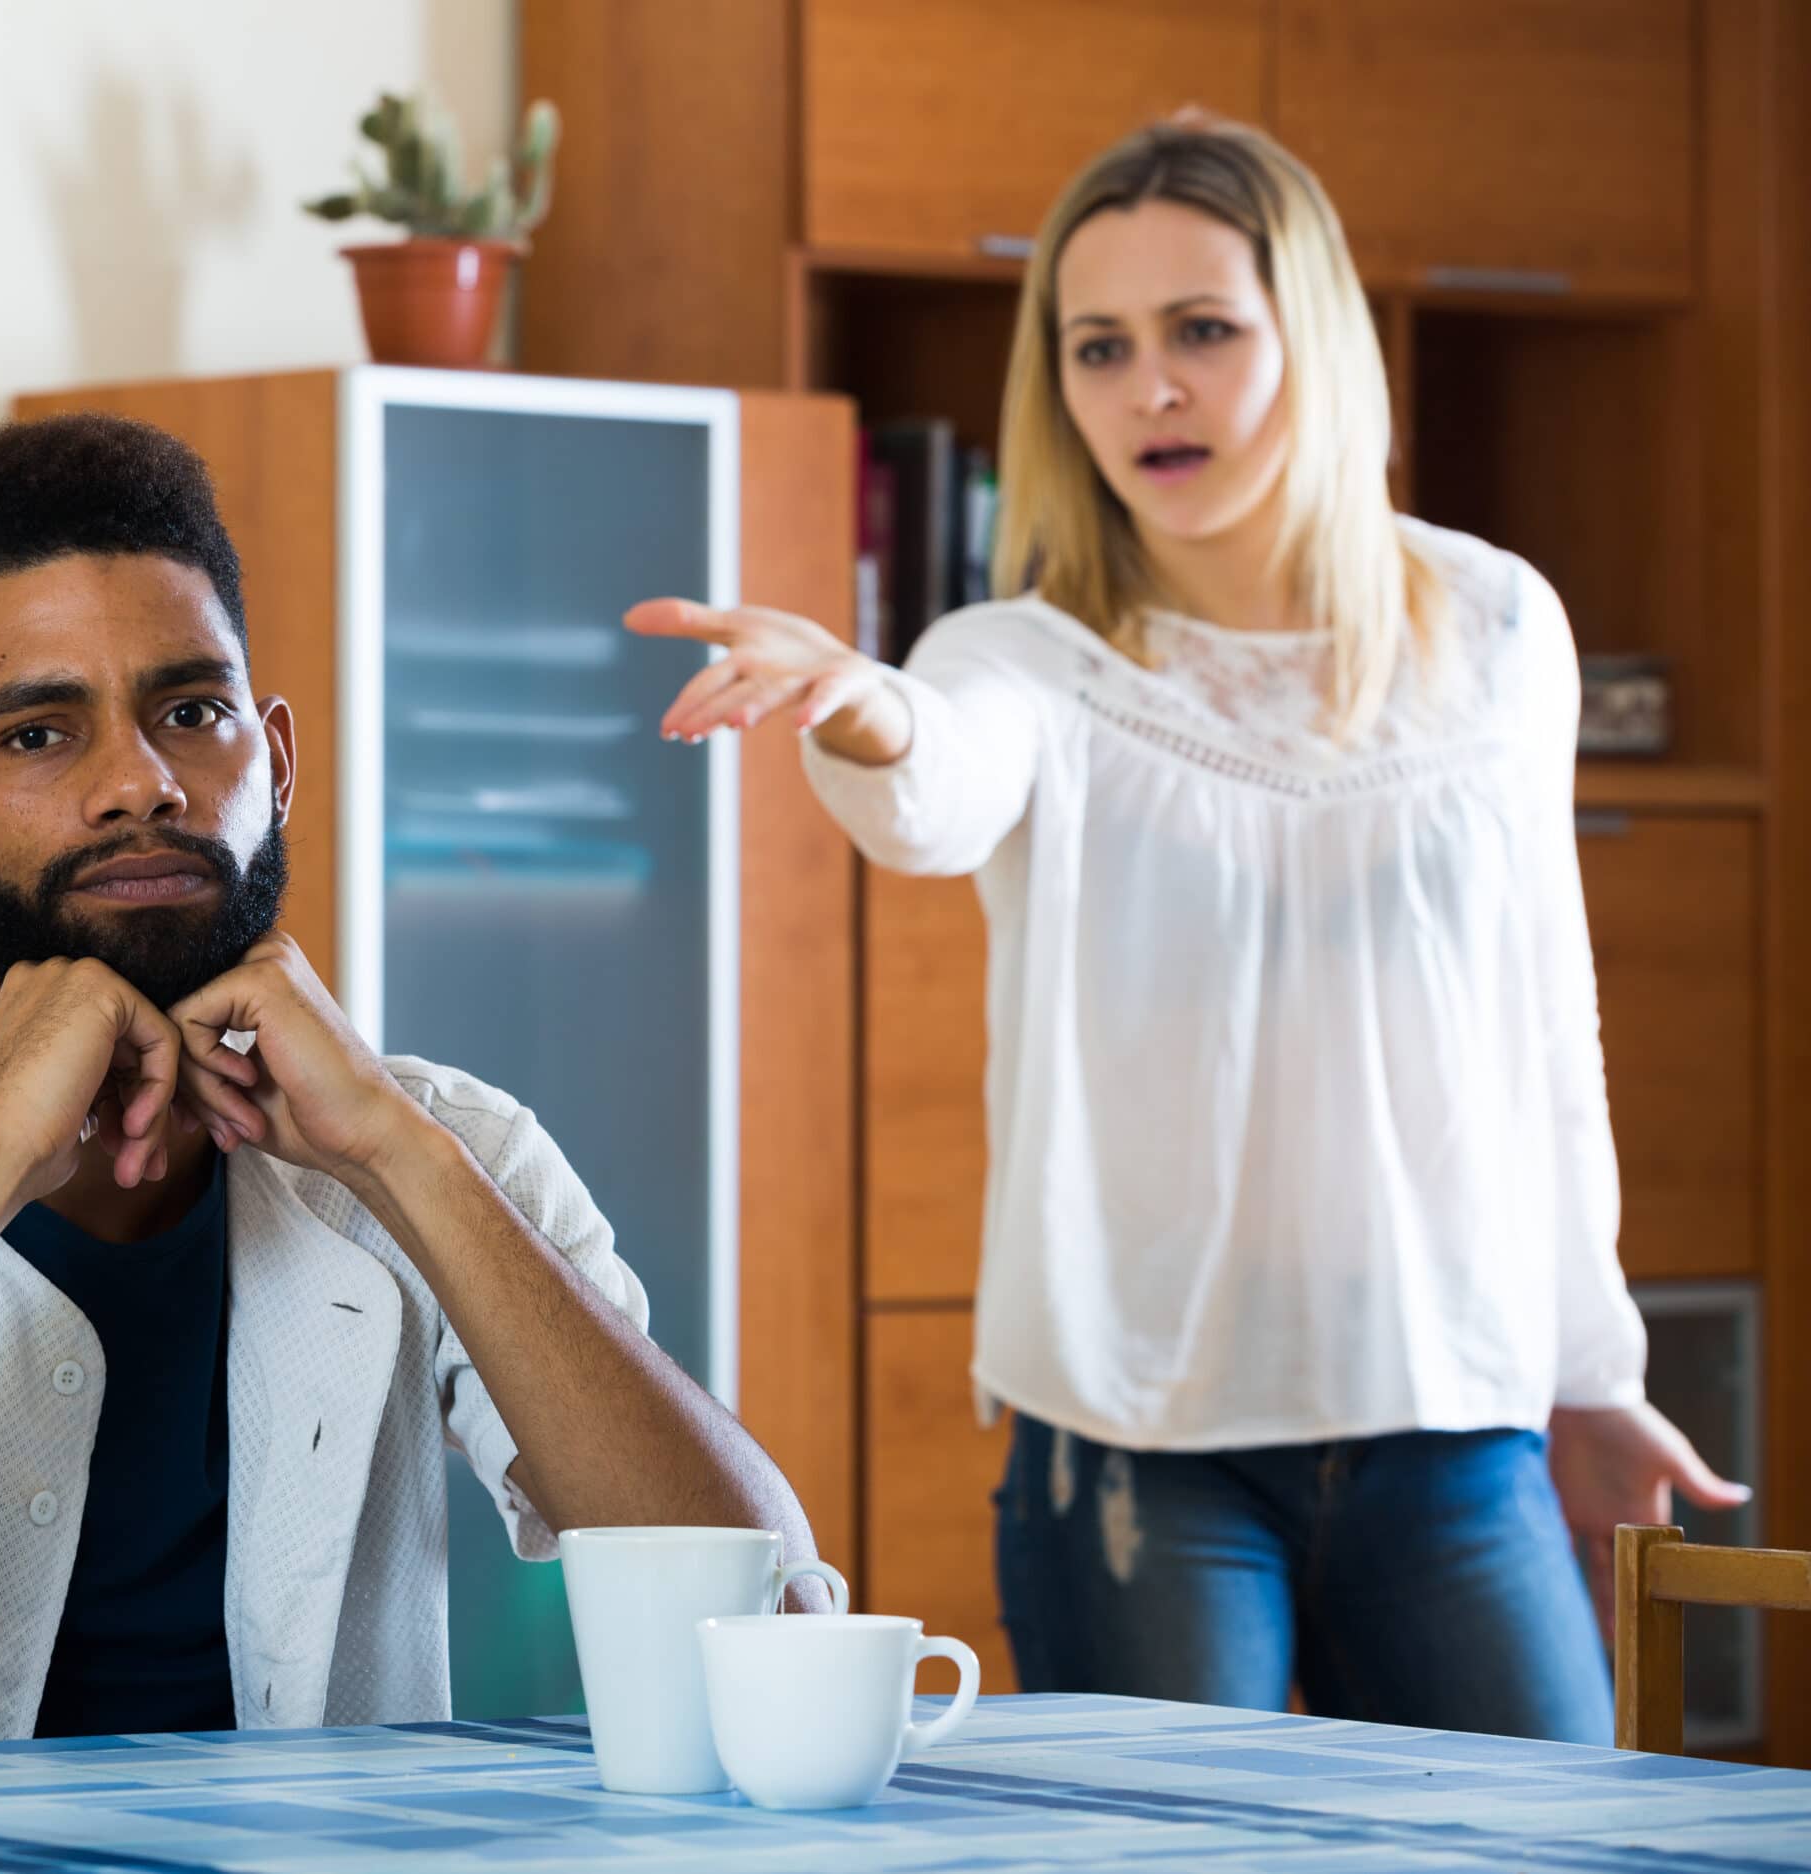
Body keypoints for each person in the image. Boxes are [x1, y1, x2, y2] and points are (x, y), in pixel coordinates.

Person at [0, 414, 817, 1765]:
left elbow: (761, 1620)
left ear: (275, 763)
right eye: (39, 734)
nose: (143, 784)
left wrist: (402, 1164)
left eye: (192, 712)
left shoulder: (439, 1144)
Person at [626, 116, 1746, 1743]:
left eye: (1203, 332)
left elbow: (1545, 1021)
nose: (1149, 387)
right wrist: (860, 705)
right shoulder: (1024, 655)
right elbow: (939, 784)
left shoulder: (1500, 625)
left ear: (1316, 340)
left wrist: (1594, 1367)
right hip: (1139, 1448)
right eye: (1100, 346)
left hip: (1454, 1420)